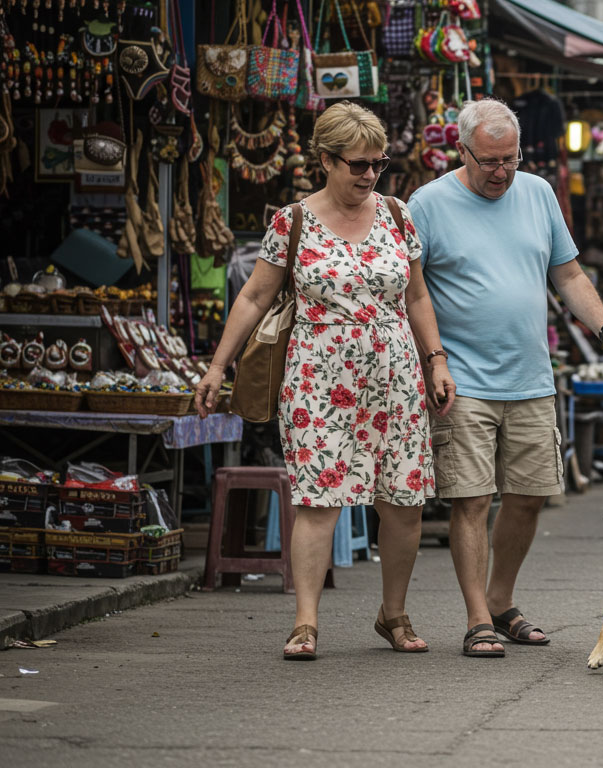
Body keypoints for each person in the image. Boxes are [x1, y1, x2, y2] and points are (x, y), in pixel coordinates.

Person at [195, 102, 455, 660]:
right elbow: (255, 296)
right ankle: (305, 622)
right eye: (357, 164)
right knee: (319, 500)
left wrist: (436, 358)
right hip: (318, 376)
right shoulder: (292, 221)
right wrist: (218, 365)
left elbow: (416, 295)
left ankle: (394, 614)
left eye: (377, 165)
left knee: (403, 502)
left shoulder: (397, 214)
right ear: (326, 160)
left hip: (394, 374)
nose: (368, 175)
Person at [409, 99, 603, 658]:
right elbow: (412, 292)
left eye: (510, 160)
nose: (500, 172)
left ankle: (500, 599)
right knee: (471, 499)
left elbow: (567, 274)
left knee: (530, 495)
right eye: (488, 161)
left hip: (531, 377)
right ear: (461, 150)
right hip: (461, 379)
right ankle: (475, 620)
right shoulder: (428, 204)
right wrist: (433, 359)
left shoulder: (538, 193)